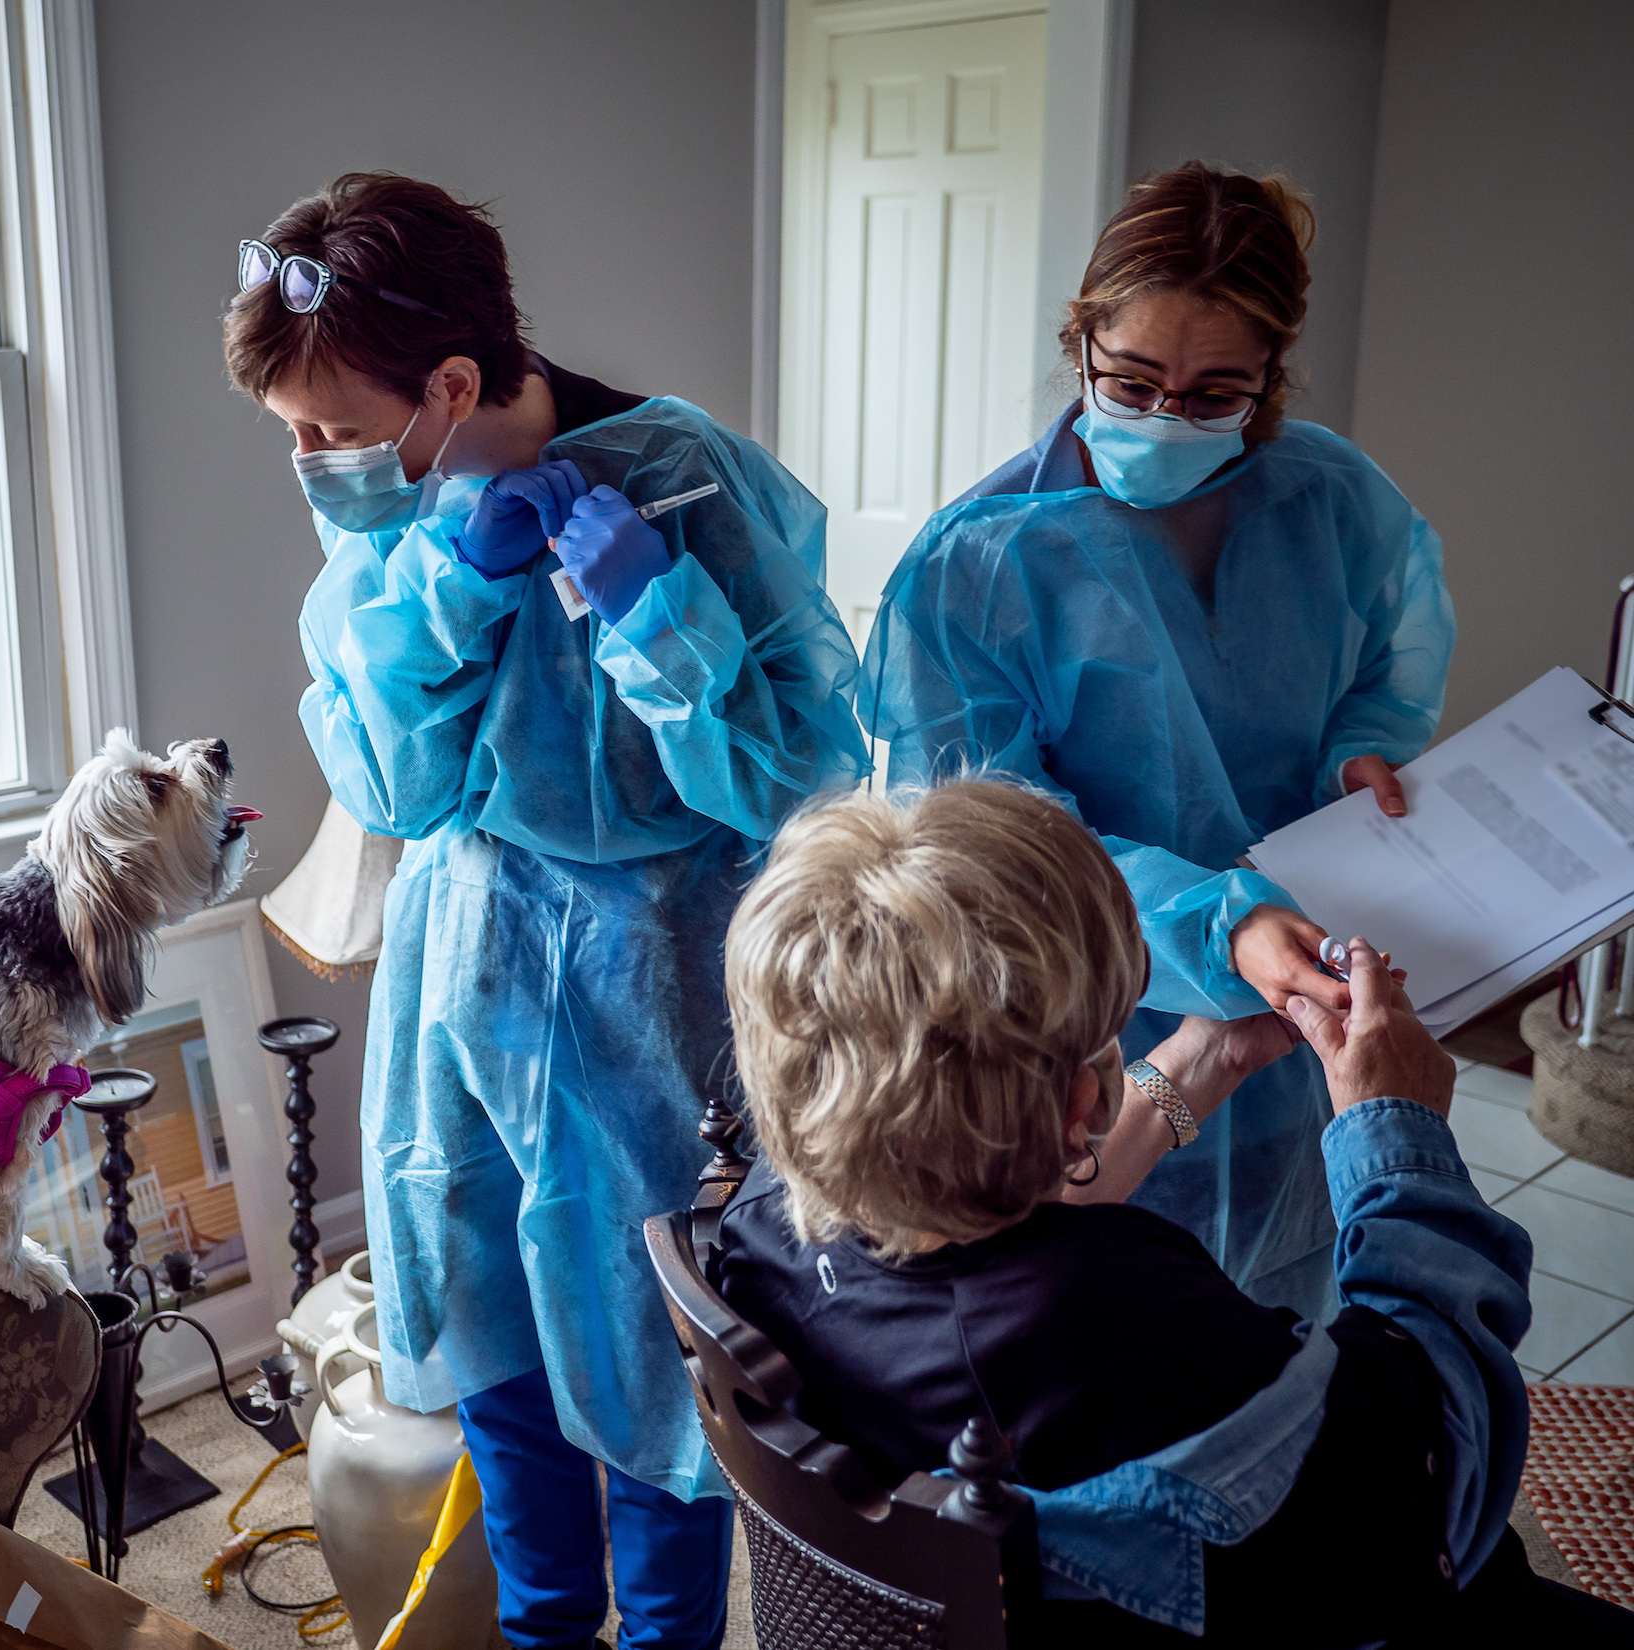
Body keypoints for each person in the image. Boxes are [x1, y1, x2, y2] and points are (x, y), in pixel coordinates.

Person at [222, 172, 869, 1650]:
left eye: (327, 430)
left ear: (451, 386)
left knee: (658, 1362)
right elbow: (387, 780)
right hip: (461, 977)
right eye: (293, 433)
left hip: (656, 993)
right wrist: (449, 590)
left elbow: (802, 778)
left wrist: (657, 619)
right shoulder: (400, 503)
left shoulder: (689, 480)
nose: (311, 464)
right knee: (489, 1339)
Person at [715, 781, 1634, 1646]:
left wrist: (1205, 1059)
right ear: (1084, 1102)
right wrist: (1394, 1129)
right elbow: (1430, 1473)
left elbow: (986, 1249)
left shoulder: (762, 1219)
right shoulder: (1115, 1316)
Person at [857, 162, 1456, 1318]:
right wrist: (1214, 925)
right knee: (1099, 1325)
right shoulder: (979, 562)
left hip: (1297, 998)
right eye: (1130, 381)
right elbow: (989, 845)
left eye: (1213, 393)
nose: (1166, 417)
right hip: (1076, 1025)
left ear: (1270, 380)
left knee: (1286, 1310)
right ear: (1079, 340)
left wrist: (1360, 744)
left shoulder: (1327, 500)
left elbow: (1393, 652)